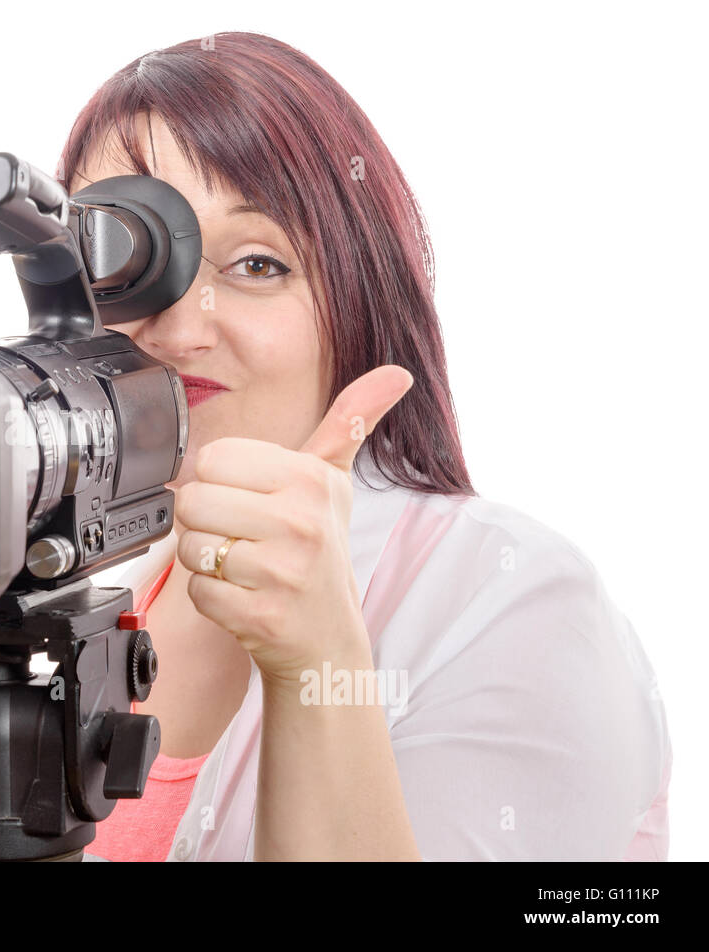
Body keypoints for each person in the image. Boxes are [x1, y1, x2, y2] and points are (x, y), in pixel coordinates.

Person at [58, 32, 671, 861]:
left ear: (357, 296)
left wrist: (316, 661)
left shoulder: (513, 598)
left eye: (257, 263)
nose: (179, 328)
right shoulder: (89, 596)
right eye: (130, 262)